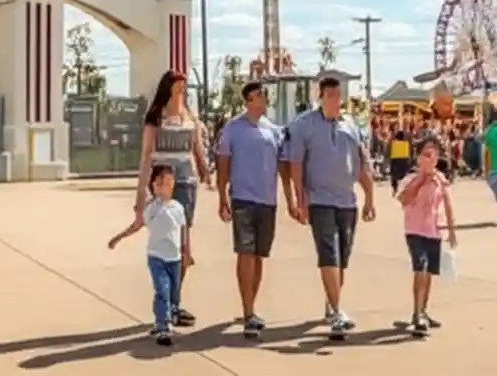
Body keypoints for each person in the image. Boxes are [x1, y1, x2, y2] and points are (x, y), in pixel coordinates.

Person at [279, 77, 377, 338]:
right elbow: (295, 164)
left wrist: (369, 196)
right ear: (320, 96)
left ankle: (332, 303)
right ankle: (336, 311)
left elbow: (360, 163)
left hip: (348, 201)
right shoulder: (304, 125)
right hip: (320, 200)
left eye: (338, 95)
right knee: (329, 254)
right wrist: (299, 198)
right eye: (330, 95)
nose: (335, 99)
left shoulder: (350, 126)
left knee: (342, 259)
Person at [135, 70, 212, 328]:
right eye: (178, 88)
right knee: (164, 244)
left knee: (183, 247)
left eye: (184, 89)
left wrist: (204, 169)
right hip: (162, 183)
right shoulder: (155, 117)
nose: (182, 92)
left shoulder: (189, 116)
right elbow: (146, 156)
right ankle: (165, 303)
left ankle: (174, 303)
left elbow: (197, 146)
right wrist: (140, 194)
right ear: (168, 88)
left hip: (186, 182)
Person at [216, 82, 283, 339]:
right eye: (261, 95)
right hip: (243, 198)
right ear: (250, 99)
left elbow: (284, 163)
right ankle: (248, 311)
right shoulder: (233, 128)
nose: (265, 99)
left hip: (268, 201)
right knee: (245, 253)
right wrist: (222, 196)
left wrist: (292, 196)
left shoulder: (272, 130)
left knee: (258, 256)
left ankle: (251, 308)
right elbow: (224, 162)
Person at [110, 165, 187, 346]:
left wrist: (186, 251)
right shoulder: (151, 208)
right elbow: (137, 225)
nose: (163, 187)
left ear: (173, 184)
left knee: (173, 292)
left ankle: (163, 316)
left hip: (174, 258)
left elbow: (183, 230)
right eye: (159, 183)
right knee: (162, 290)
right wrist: (118, 238)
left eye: (167, 182)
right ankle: (163, 327)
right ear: (153, 186)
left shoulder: (178, 208)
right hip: (156, 257)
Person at [396, 136, 457, 334]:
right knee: (420, 269)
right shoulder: (410, 179)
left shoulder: (440, 180)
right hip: (415, 231)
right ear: (418, 158)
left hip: (434, 231)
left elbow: (448, 205)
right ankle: (416, 313)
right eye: (426, 155)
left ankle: (423, 310)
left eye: (434, 155)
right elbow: (404, 199)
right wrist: (421, 181)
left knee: (429, 272)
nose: (430, 159)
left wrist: (451, 231)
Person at [388, 127, 411, 195]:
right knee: (403, 177)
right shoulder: (406, 145)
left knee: (394, 177)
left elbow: (390, 155)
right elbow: (408, 156)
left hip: (396, 165)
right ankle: (403, 189)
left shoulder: (394, 144)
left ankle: (395, 189)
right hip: (403, 165)